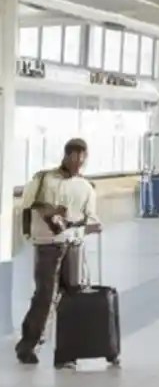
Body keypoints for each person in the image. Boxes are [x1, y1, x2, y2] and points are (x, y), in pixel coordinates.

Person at [14, 138, 99, 366]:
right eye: (74, 156)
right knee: (46, 295)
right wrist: (49, 216)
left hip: (73, 244)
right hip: (47, 244)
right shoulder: (45, 179)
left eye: (82, 157)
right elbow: (30, 205)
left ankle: (66, 353)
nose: (78, 161)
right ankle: (29, 344)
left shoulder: (86, 186)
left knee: (72, 296)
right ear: (66, 155)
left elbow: (90, 217)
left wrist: (87, 224)